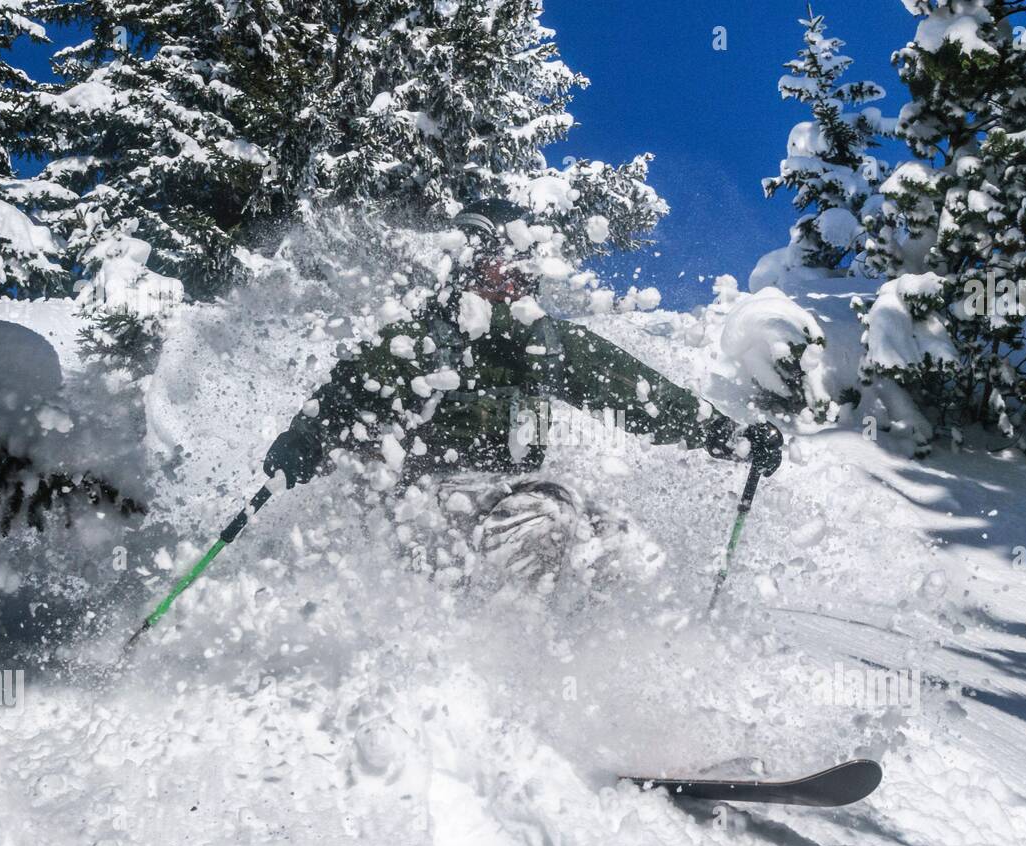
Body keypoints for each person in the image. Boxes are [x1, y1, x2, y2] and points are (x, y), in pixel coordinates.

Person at [263, 199, 782, 590]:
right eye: (507, 258)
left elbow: (634, 392)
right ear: (473, 259)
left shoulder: (543, 342)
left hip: (502, 495)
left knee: (609, 535)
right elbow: (347, 398)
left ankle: (584, 668)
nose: (521, 272)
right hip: (417, 499)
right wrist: (304, 440)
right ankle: (491, 662)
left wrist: (723, 433)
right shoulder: (419, 338)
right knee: (549, 517)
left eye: (527, 260)